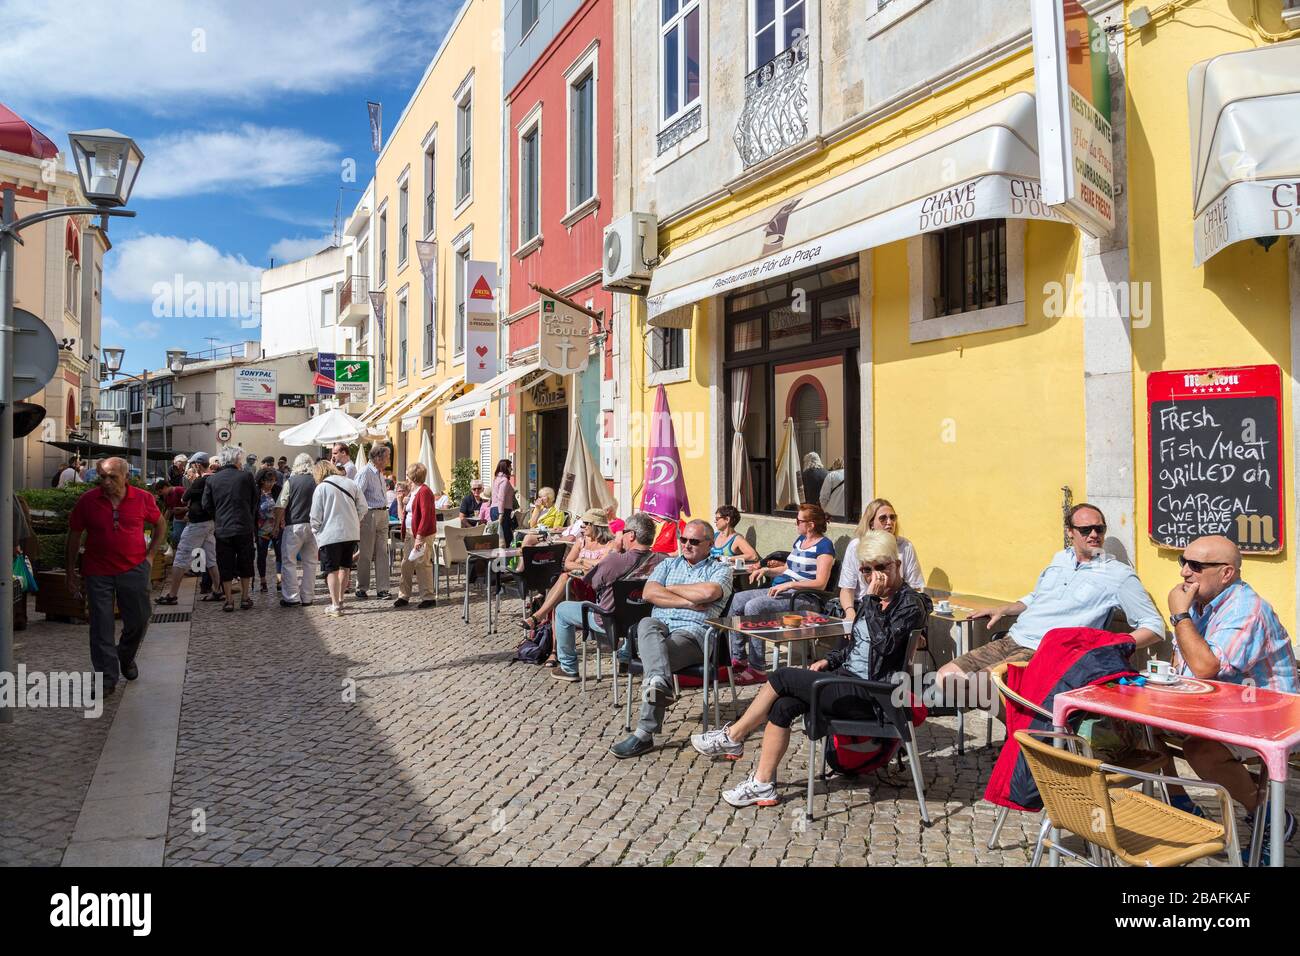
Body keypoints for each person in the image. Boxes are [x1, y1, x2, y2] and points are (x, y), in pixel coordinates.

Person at [691, 531, 927, 807]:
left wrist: (872, 602)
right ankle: (762, 784)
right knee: (784, 705)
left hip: (876, 695)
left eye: (881, 568)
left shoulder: (910, 604)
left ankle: (734, 736)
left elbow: (884, 646)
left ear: (897, 565)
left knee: (782, 676)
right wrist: (832, 660)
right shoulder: (870, 602)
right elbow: (854, 645)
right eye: (866, 570)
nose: (873, 576)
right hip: (849, 681)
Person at [1157, 535, 1299, 861]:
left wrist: (1180, 618)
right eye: (1183, 562)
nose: (1184, 573)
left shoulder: (1248, 609)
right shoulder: (1200, 605)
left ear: (1226, 573)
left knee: (1200, 749)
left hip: (1271, 716)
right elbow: (1187, 671)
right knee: (1145, 729)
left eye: (1196, 565)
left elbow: (1206, 667)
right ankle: (1182, 805)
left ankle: (1271, 819)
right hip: (1220, 708)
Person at [935, 503, 1165, 702]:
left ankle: (1023, 733)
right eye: (1085, 529)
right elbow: (1037, 597)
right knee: (946, 677)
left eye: (1100, 528)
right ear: (1070, 532)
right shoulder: (1059, 559)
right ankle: (1020, 724)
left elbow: (1154, 626)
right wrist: (1003, 609)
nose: (1094, 534)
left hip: (1045, 652)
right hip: (1013, 638)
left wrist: (1106, 644)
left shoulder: (1119, 575)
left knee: (980, 686)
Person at [609, 519, 734, 758]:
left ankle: (643, 734)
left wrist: (668, 589)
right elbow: (648, 592)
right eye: (683, 539)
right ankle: (659, 682)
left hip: (693, 635)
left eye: (694, 541)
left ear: (709, 544)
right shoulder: (668, 564)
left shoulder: (720, 569)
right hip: (659, 627)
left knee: (656, 657)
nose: (686, 545)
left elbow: (709, 593)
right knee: (645, 624)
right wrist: (689, 600)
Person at [65, 458, 167, 696]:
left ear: (125, 477)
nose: (107, 482)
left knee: (140, 620)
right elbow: (74, 535)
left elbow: (160, 524)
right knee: (101, 626)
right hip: (97, 571)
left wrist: (150, 556)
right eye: (102, 477)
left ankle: (125, 655)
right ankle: (106, 679)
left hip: (133, 568)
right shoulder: (88, 501)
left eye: (113, 477)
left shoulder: (143, 498)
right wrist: (70, 571)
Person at [550, 513, 664, 681]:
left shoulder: (615, 560)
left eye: (623, 532)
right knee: (633, 610)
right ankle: (626, 658)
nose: (621, 535)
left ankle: (568, 667)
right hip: (643, 621)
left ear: (631, 535)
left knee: (561, 610)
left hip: (608, 621)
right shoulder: (663, 560)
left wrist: (615, 552)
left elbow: (593, 582)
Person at [727, 503, 836, 675]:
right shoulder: (800, 541)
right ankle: (738, 658)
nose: (796, 523)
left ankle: (757, 668)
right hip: (785, 590)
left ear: (811, 524)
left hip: (805, 598)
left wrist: (791, 584)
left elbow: (821, 583)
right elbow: (788, 568)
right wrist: (766, 570)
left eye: (798, 520)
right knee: (737, 599)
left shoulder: (824, 546)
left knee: (754, 607)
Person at [520, 509, 615, 633]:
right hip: (578, 583)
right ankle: (542, 625)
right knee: (564, 579)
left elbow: (602, 565)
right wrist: (586, 565)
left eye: (586, 523)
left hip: (597, 588)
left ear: (596, 526)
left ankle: (540, 619)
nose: (582, 526)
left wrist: (581, 560)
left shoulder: (609, 544)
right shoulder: (581, 541)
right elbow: (568, 564)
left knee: (563, 583)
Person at [839, 498, 924, 619]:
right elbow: (847, 589)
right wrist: (850, 613)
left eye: (892, 517)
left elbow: (915, 586)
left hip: (896, 609)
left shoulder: (905, 546)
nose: (889, 522)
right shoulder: (856, 546)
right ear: (871, 523)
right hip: (862, 606)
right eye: (883, 518)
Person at [156, 454, 221, 605]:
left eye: (191, 466)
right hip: (210, 522)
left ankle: (172, 595)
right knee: (211, 558)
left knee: (181, 556)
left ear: (198, 465)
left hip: (197, 524)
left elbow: (185, 497)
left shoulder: (200, 480)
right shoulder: (215, 479)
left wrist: (192, 486)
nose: (189, 469)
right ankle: (217, 591)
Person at [202, 446, 259, 612]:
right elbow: (255, 499)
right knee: (245, 562)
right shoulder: (246, 477)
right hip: (243, 526)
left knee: (225, 564)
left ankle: (228, 600)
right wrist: (247, 514)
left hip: (222, 528)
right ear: (237, 460)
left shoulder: (212, 480)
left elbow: (207, 505)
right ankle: (245, 597)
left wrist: (218, 516)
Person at [311, 456, 365, 616]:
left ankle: (335, 605)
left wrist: (316, 532)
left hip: (330, 534)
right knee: (345, 567)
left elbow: (315, 515)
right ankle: (340, 600)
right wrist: (356, 520)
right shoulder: (350, 483)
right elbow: (363, 507)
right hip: (350, 532)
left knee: (331, 570)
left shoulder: (321, 488)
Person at [276, 454, 320, 607]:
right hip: (314, 526)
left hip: (294, 524)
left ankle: (292, 597)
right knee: (311, 562)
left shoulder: (291, 481)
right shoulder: (317, 481)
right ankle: (307, 597)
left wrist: (277, 524)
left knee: (289, 561)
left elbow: (281, 504)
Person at [393, 462, 438, 609]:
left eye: (407, 473)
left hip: (421, 533)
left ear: (413, 475)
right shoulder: (414, 491)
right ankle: (403, 595)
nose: (405, 476)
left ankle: (428, 596)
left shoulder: (424, 491)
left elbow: (426, 516)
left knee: (422, 564)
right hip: (410, 533)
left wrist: (420, 536)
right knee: (406, 563)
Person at [354, 443, 392, 600]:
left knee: (383, 552)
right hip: (369, 515)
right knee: (366, 553)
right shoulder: (365, 472)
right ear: (378, 458)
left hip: (383, 513)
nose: (389, 459)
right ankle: (361, 587)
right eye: (387, 456)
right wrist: (359, 517)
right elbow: (356, 495)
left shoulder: (379, 473)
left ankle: (382, 588)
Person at [254, 467, 282, 594]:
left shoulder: (277, 490)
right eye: (268, 481)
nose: (271, 484)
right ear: (261, 481)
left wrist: (279, 525)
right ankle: (263, 581)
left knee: (279, 554)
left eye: (273, 481)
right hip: (261, 530)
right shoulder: (256, 493)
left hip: (277, 528)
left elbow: (282, 508)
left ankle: (279, 580)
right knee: (262, 555)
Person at [490, 459, 517, 544]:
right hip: (502, 510)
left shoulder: (496, 479)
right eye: (510, 467)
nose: (511, 469)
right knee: (506, 537)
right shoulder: (504, 480)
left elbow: (495, 495)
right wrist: (501, 514)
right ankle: (506, 556)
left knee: (499, 536)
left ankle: (500, 555)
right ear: (506, 467)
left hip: (495, 509)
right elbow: (501, 497)